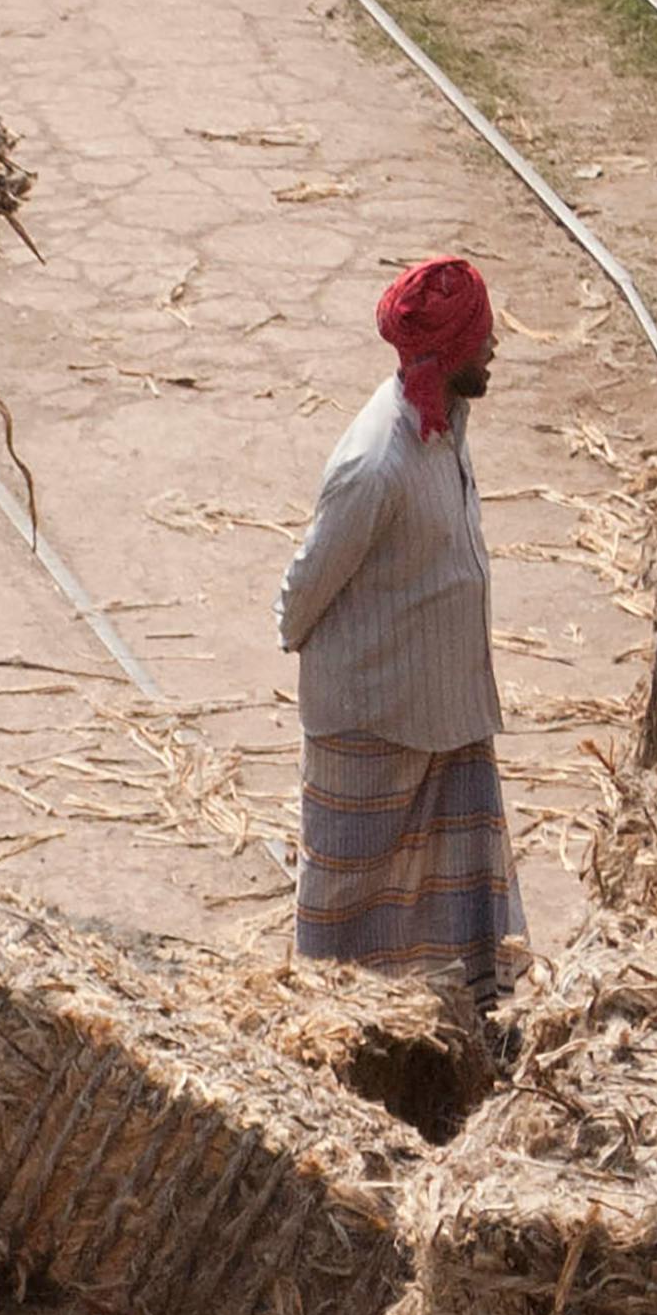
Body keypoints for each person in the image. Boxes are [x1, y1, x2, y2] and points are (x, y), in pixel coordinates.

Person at [282, 258, 524, 990]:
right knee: (346, 916)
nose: (493, 351)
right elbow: (302, 590)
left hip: (444, 714)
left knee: (451, 911)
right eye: (482, 339)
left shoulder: (444, 426)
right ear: (450, 354)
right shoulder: (377, 461)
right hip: (371, 721)